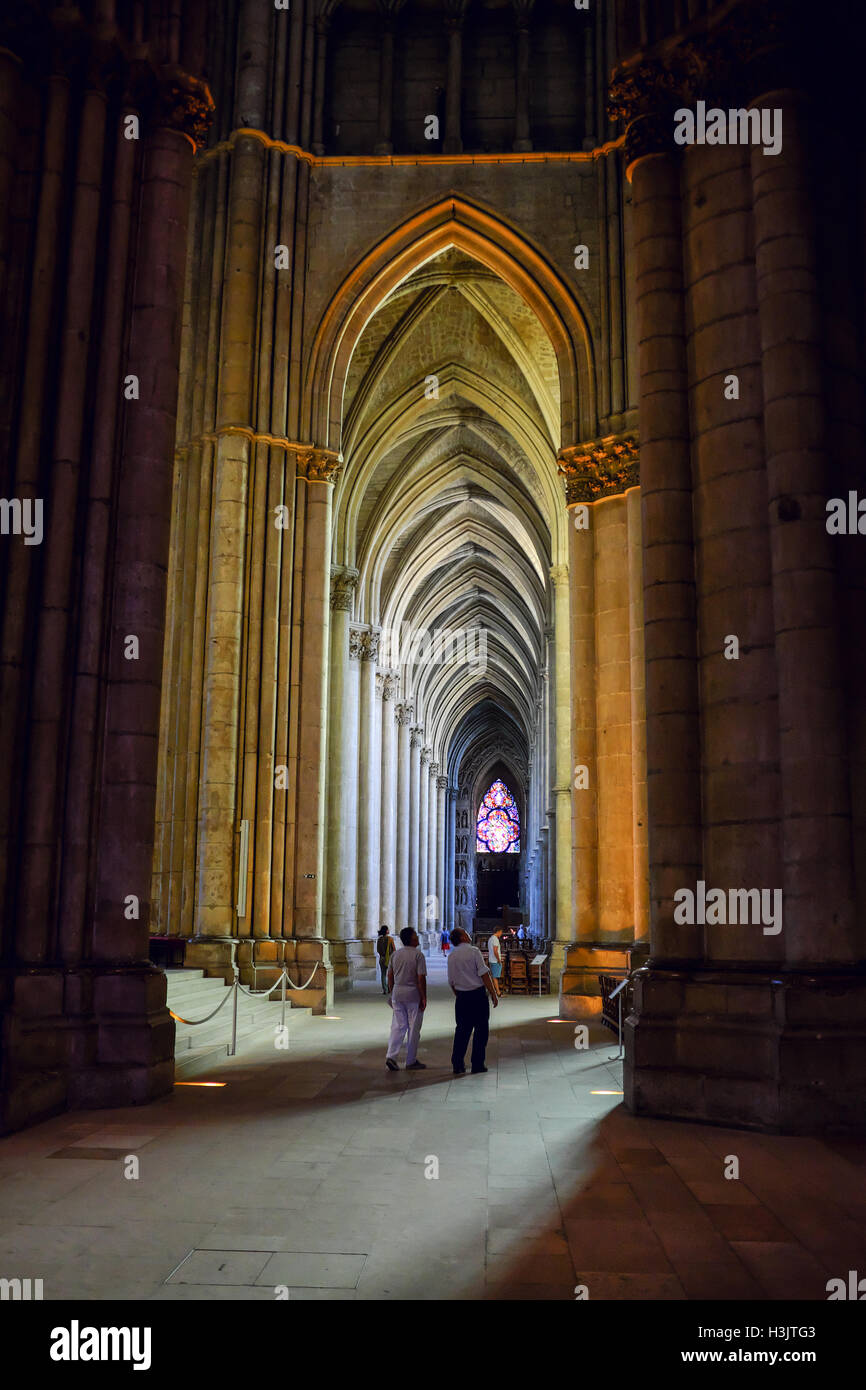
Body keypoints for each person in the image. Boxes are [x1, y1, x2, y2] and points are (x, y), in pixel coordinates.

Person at [446, 927, 498, 1075]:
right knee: (481, 1031)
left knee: (462, 1031)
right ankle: (477, 1064)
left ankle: (457, 1064)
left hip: (462, 997)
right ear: (462, 938)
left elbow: (451, 981)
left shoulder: (451, 956)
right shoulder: (474, 951)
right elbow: (484, 974)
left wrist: (460, 994)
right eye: (465, 933)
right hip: (478, 996)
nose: (468, 934)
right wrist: (493, 993)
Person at [385, 927, 427, 1071]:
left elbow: (389, 976)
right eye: (416, 935)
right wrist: (424, 997)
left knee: (397, 1026)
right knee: (414, 1028)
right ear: (412, 939)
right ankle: (411, 1060)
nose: (418, 937)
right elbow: (421, 978)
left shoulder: (395, 955)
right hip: (413, 995)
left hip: (398, 993)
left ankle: (391, 1056)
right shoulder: (418, 955)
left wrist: (392, 991)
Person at [376, 925, 396, 994]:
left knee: (383, 974)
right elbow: (394, 949)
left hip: (382, 958)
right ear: (386, 931)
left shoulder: (379, 939)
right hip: (389, 959)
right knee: (390, 974)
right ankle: (389, 988)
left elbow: (378, 950)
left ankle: (385, 989)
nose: (388, 930)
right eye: (388, 929)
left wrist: (382, 954)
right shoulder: (390, 939)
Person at [487, 925, 504, 997]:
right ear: (498, 931)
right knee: (495, 977)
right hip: (495, 961)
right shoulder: (495, 939)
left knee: (493, 977)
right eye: (501, 932)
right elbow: (495, 951)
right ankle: (498, 993)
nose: (501, 934)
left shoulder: (491, 939)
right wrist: (499, 960)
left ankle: (494, 991)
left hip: (491, 960)